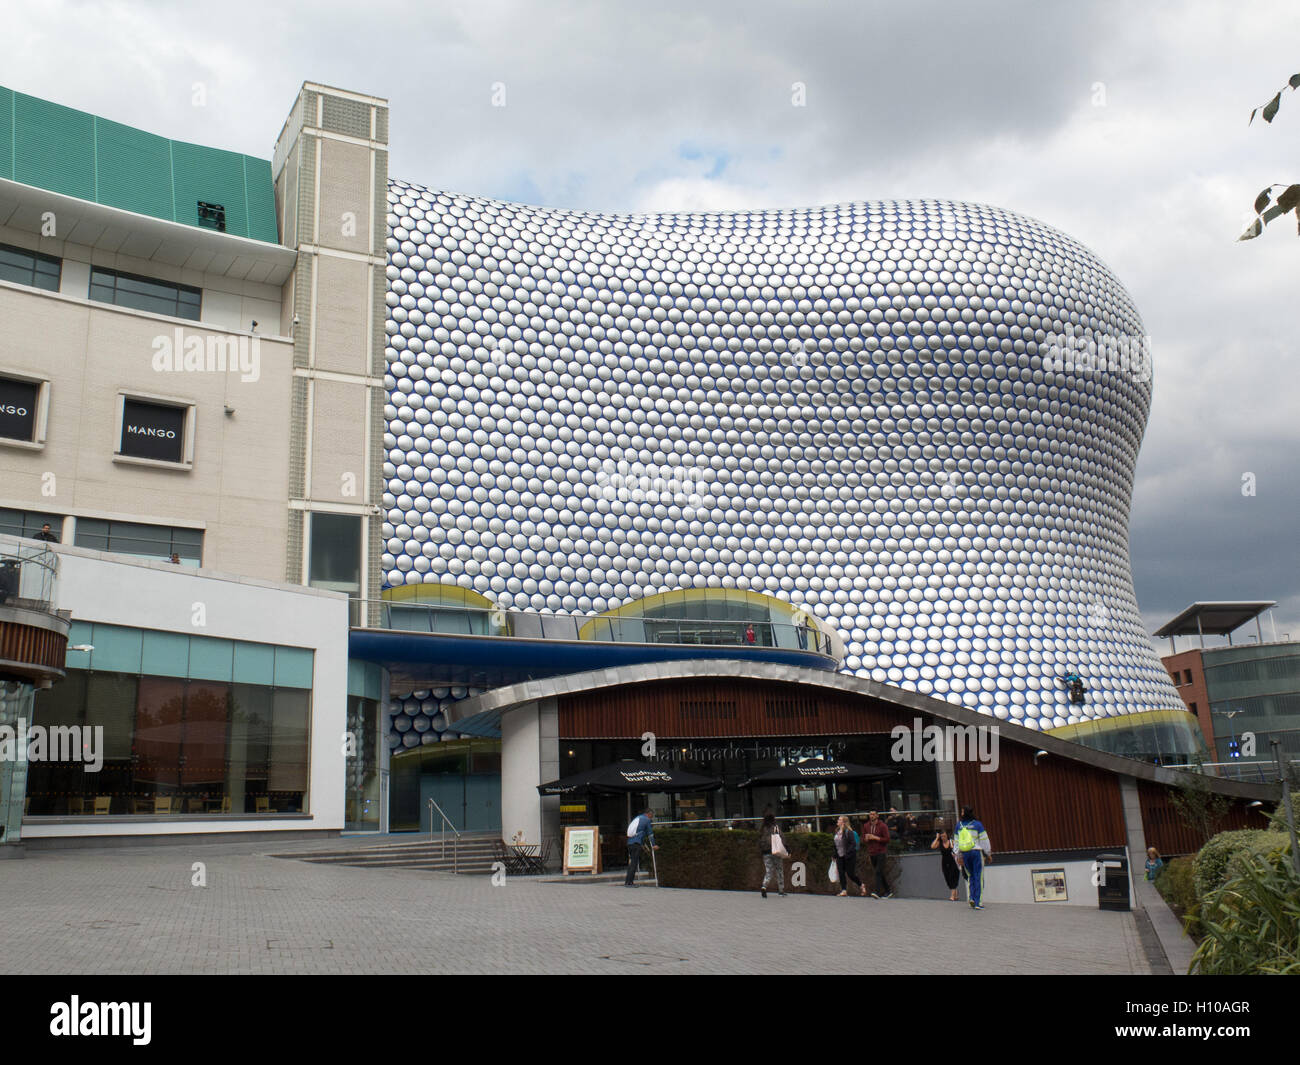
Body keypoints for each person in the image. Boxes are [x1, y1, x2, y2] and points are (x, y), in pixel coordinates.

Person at [954, 806, 992, 909]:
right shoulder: (977, 824)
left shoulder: (959, 826)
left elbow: (956, 842)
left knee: (970, 876)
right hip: (976, 852)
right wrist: (988, 853)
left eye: (962, 811)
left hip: (965, 853)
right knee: (978, 876)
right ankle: (978, 902)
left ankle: (971, 897)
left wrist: (958, 855)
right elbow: (984, 840)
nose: (961, 812)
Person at [832, 814, 866, 897]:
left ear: (843, 822)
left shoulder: (848, 832)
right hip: (840, 855)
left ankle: (861, 884)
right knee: (841, 873)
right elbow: (836, 844)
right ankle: (844, 890)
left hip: (849, 856)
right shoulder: (837, 832)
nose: (837, 821)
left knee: (851, 874)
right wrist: (834, 854)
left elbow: (853, 844)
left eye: (839, 820)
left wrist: (847, 853)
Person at [757, 808, 787, 898]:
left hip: (765, 853)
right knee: (779, 870)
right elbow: (782, 837)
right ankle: (781, 890)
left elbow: (759, 841)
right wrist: (786, 848)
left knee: (769, 871)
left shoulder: (762, 829)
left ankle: (764, 886)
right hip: (776, 851)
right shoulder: (775, 827)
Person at [625, 807, 657, 887]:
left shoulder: (638, 818)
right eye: (651, 815)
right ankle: (629, 883)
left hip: (630, 842)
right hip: (636, 843)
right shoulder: (646, 820)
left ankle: (628, 881)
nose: (651, 817)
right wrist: (653, 845)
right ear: (649, 814)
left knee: (632, 862)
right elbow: (650, 834)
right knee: (634, 863)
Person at [863, 809, 892, 897]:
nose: (871, 816)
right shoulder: (866, 826)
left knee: (878, 872)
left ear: (877, 816)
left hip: (881, 852)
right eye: (870, 814)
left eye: (873, 814)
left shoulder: (882, 826)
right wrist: (866, 838)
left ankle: (877, 892)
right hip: (872, 852)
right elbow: (863, 838)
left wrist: (876, 838)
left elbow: (887, 839)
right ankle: (888, 890)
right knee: (879, 872)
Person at [931, 819, 960, 901]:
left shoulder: (952, 842)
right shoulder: (940, 843)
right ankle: (955, 894)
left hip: (953, 862)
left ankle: (952, 896)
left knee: (952, 877)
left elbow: (957, 849)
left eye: (944, 836)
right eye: (941, 836)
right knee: (947, 878)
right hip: (945, 863)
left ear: (947, 835)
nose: (943, 837)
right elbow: (932, 846)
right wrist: (937, 838)